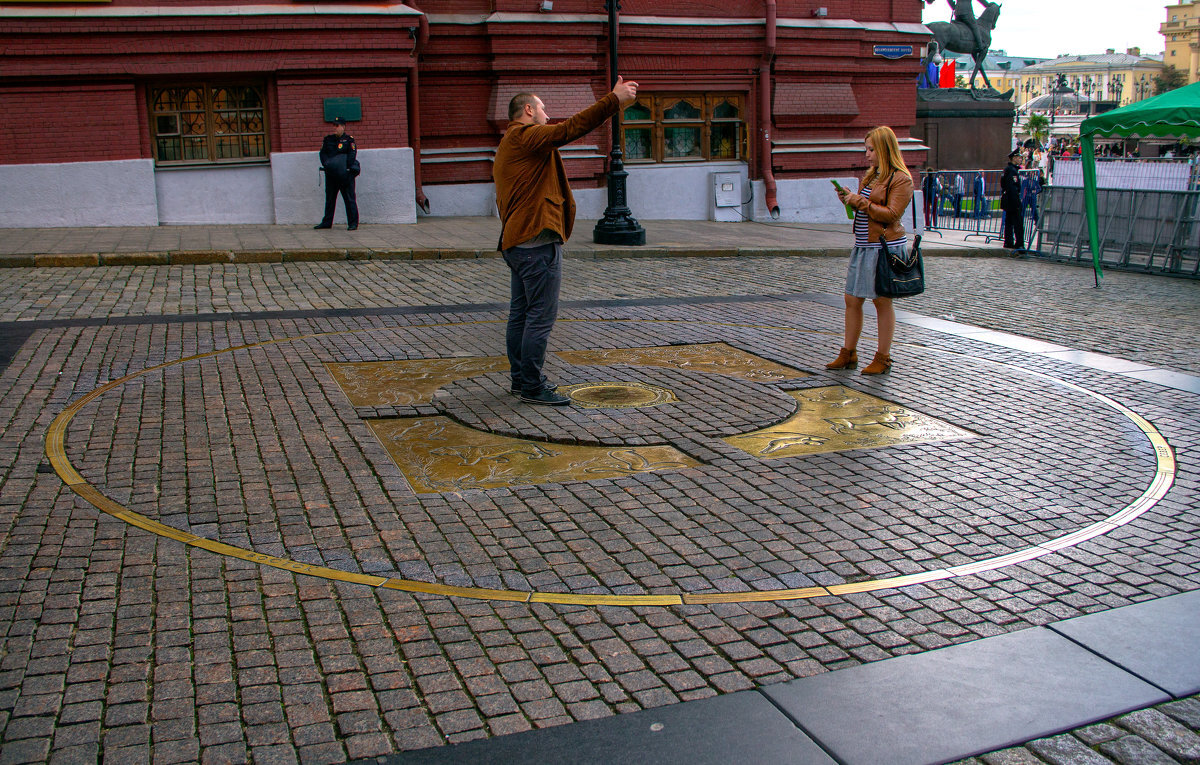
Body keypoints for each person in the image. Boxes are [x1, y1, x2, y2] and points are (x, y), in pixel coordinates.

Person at [493, 76, 639, 405]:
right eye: (543, 108)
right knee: (539, 317)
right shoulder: (525, 136)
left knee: (521, 314)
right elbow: (569, 129)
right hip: (536, 243)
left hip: (518, 243)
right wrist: (613, 100)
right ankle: (532, 384)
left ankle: (520, 380)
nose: (548, 114)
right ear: (528, 110)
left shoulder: (511, 143)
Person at [829, 126, 914, 376]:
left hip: (884, 247)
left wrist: (859, 201)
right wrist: (849, 199)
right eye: (866, 149)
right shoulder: (873, 175)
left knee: (881, 301)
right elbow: (868, 208)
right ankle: (848, 353)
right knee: (852, 299)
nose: (867, 155)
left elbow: (891, 214)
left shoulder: (901, 178)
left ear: (885, 150)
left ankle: (883, 357)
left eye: (871, 149)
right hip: (864, 244)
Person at [315, 117, 360, 230]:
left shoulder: (349, 140)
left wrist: (346, 168)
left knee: (349, 199)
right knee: (330, 199)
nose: (334, 128)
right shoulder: (328, 139)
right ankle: (327, 222)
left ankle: (353, 223)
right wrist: (327, 164)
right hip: (331, 174)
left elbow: (351, 155)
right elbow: (323, 154)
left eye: (337, 126)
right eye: (333, 125)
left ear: (343, 127)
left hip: (345, 174)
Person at [1000, 149, 1024, 249]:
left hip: (1008, 200)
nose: (1020, 159)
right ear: (1014, 158)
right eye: (1019, 157)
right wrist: (1017, 202)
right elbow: (1012, 188)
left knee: (1009, 222)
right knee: (1017, 223)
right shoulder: (1012, 171)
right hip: (1012, 201)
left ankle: (1008, 242)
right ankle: (1019, 244)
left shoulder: (1009, 170)